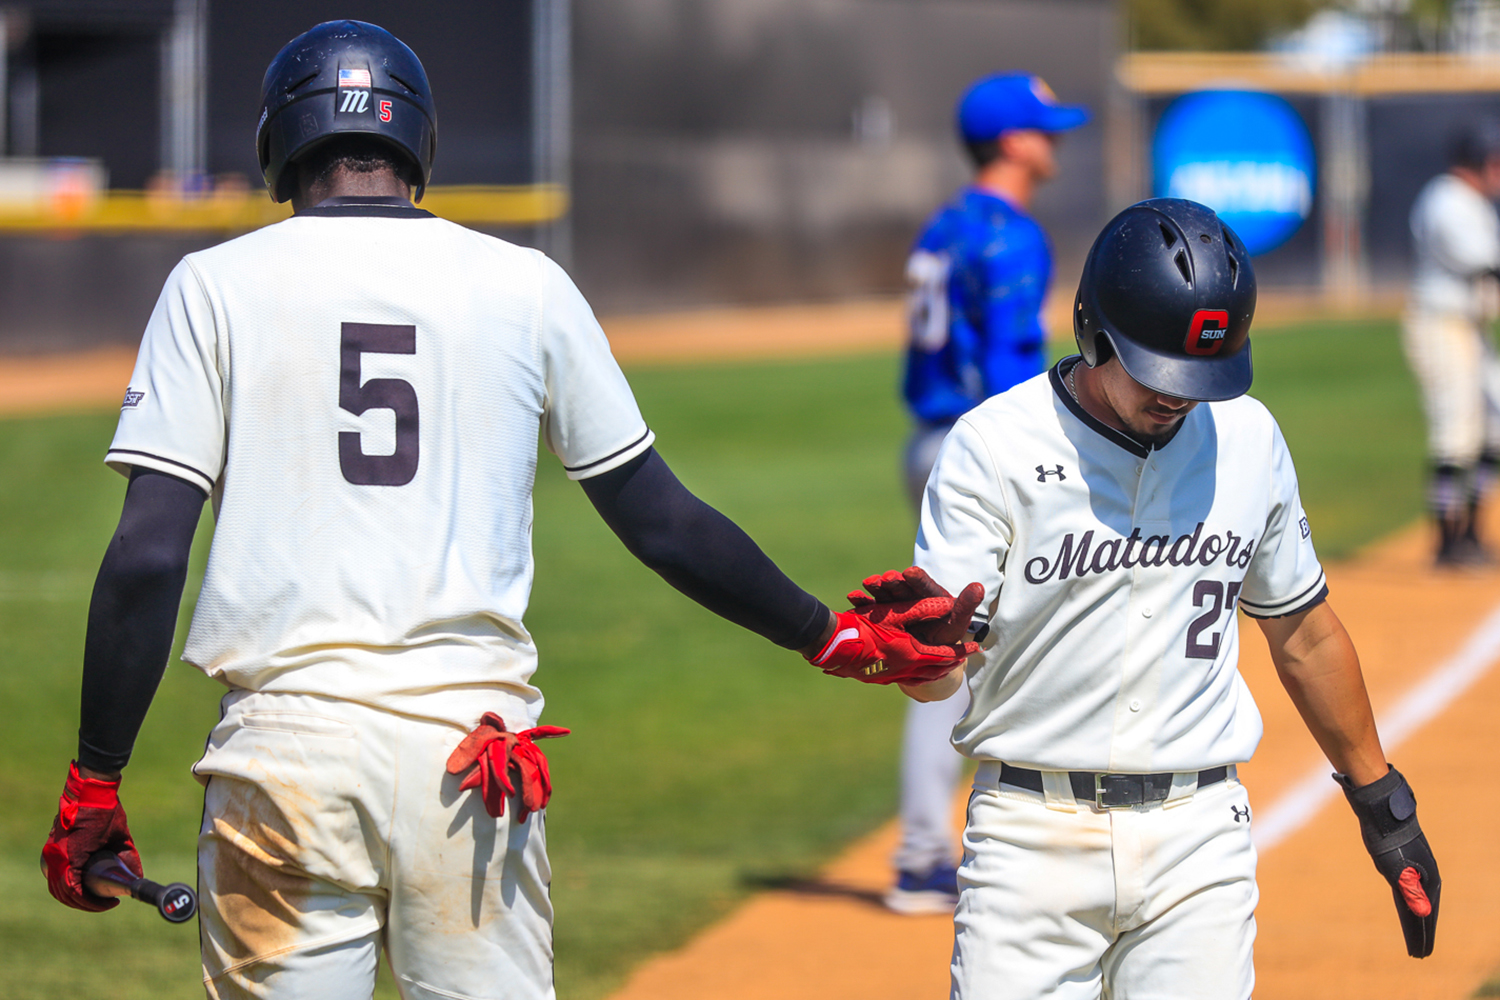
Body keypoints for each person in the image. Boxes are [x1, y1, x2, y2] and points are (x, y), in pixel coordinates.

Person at [38, 21, 977, 1000]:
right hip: (470, 763)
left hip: (287, 762)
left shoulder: (212, 287)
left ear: (279, 143)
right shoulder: (527, 286)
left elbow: (149, 556)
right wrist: (828, 634)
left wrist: (95, 780)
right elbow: (659, 517)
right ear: (420, 143)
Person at [877, 198, 1441, 997]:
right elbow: (938, 676)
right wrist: (922, 659)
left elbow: (1303, 632)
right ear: (1094, 330)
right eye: (1156, 369)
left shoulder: (1248, 439)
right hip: (1031, 840)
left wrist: (1384, 805)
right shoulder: (993, 447)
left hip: (1199, 837)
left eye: (1201, 374)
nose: (1179, 395)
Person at [888, 71, 1087, 913]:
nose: (1056, 141)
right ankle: (937, 851)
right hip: (981, 457)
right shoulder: (1010, 237)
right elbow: (1012, 379)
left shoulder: (945, 226)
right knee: (980, 650)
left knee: (953, 650)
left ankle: (928, 848)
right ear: (1012, 142)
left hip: (929, 445)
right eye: (1045, 129)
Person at [1404, 119, 1500, 566]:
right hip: (1440, 325)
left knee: (1493, 425)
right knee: (1455, 430)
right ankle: (1448, 541)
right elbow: (1484, 264)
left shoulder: (1471, 202)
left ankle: (1474, 535)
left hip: (1468, 327)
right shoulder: (1446, 199)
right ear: (1478, 161)